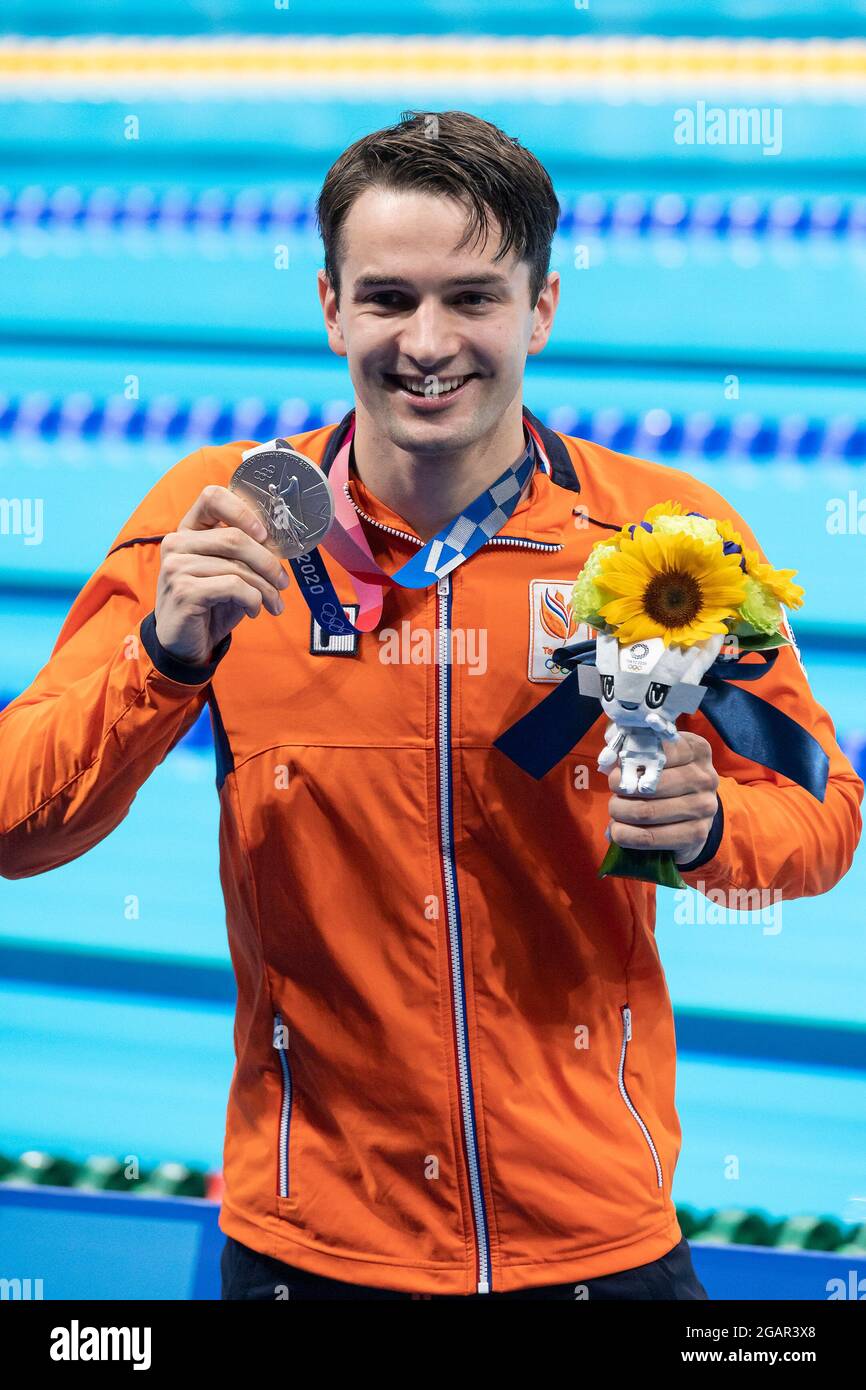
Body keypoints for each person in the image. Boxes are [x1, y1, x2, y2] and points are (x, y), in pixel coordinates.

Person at [0, 110, 861, 1301]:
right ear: (329, 306)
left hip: (595, 1236)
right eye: (388, 297)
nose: (427, 341)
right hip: (311, 1244)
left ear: (539, 309)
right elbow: (15, 828)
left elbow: (820, 815)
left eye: (471, 297)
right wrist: (164, 656)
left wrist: (716, 832)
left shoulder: (665, 541)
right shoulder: (221, 522)